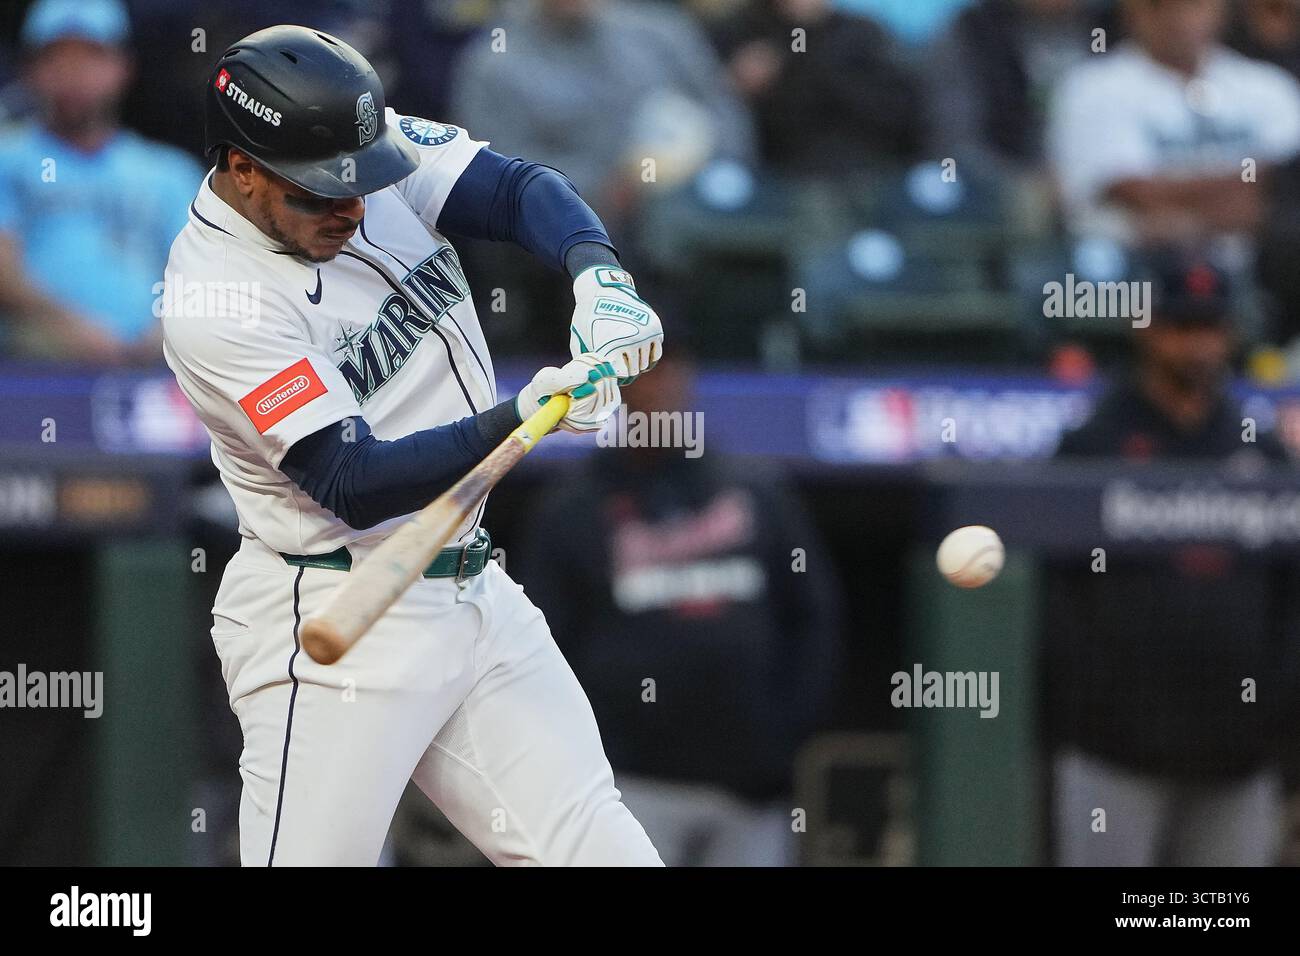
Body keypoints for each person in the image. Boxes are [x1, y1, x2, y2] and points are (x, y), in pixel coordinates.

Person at [162, 25, 665, 866]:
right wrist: (520, 416)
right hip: (334, 612)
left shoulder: (353, 152)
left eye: (361, 184)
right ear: (243, 169)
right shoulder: (217, 299)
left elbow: (515, 191)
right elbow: (350, 480)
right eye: (322, 195)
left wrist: (597, 273)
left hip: (474, 593)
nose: (354, 209)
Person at [518, 346, 842, 865]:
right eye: (645, 377)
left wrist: (784, 737)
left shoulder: (756, 490)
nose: (659, 390)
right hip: (628, 786)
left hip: (749, 788)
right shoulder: (572, 507)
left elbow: (813, 619)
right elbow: (540, 641)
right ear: (617, 390)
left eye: (671, 372)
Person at [1047, 249, 1297, 865]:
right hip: (1115, 752)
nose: (1198, 347)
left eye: (1211, 328)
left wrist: (1276, 720)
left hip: (1239, 757)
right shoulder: (1094, 444)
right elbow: (1053, 601)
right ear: (1145, 327)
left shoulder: (1259, 452)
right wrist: (1088, 705)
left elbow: (1289, 602)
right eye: (1181, 327)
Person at [0, 0, 202, 362]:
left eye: (92, 56)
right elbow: (4, 269)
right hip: (32, 364)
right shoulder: (9, 157)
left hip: (155, 365)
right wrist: (66, 326)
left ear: (123, 68)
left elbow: (203, 276)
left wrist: (164, 333)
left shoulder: (169, 171)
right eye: (56, 57)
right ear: (30, 70)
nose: (73, 72)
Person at [1046, 0, 1300, 248]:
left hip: (1270, 267)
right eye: (1161, 5)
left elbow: (1289, 183)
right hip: (1137, 273)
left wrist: (1180, 205)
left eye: (1195, 4)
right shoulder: (1091, 87)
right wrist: (1254, 193)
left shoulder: (1269, 86)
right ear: (1133, 9)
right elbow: (1132, 193)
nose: (1180, 17)